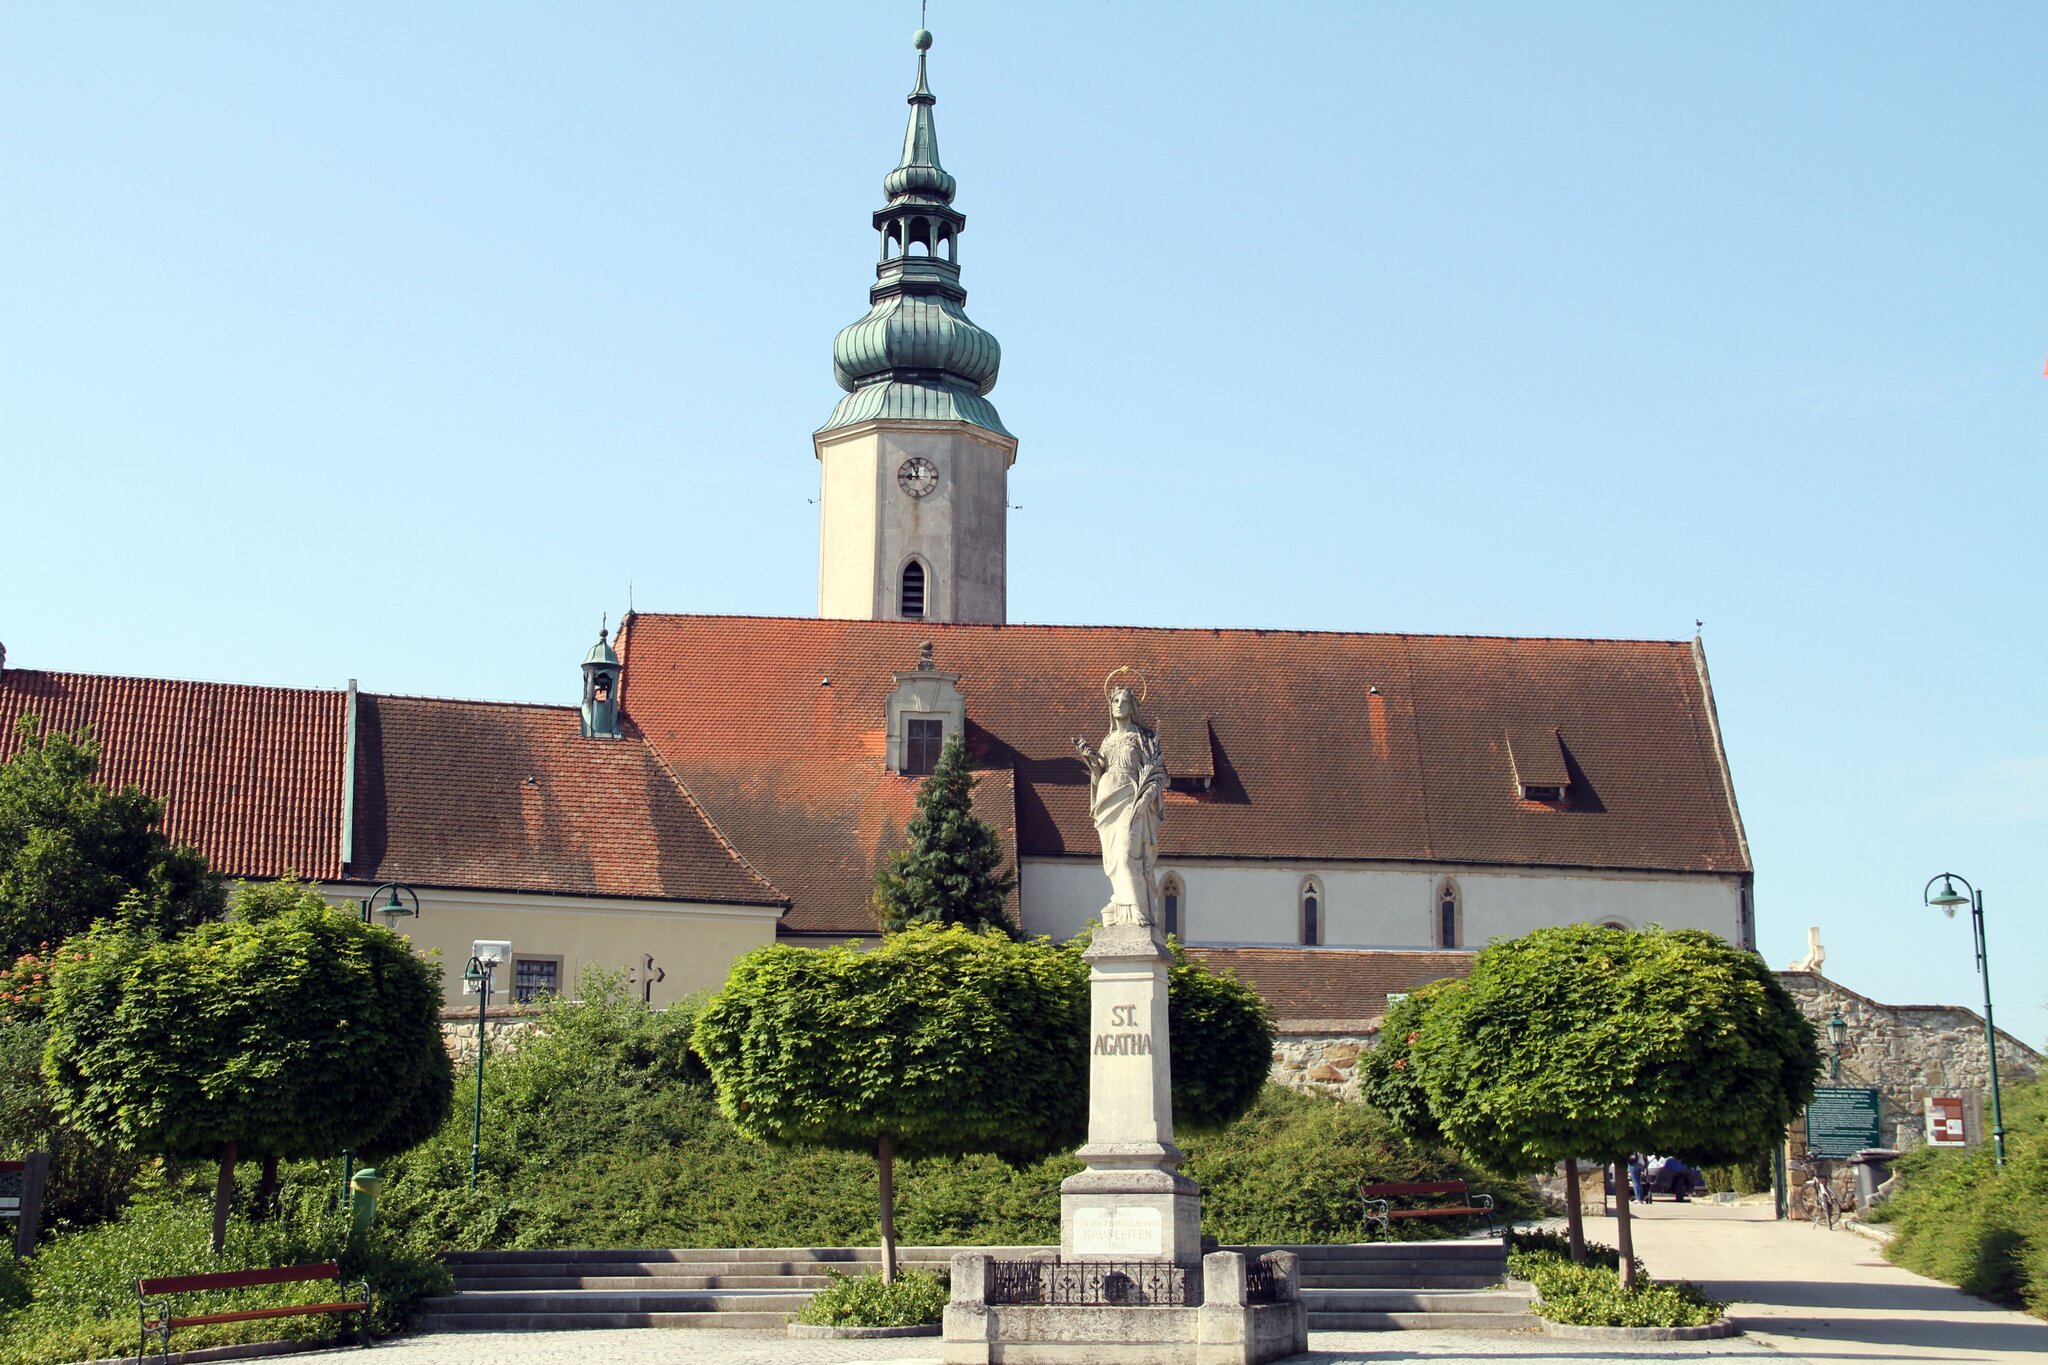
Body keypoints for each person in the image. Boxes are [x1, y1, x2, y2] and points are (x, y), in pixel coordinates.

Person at [1074, 681, 1168, 931]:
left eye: (1124, 701)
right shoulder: (1107, 740)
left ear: (1133, 706)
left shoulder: (1143, 738)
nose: (1119, 705)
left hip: (1131, 796)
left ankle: (1135, 906)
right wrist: (1092, 761)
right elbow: (1099, 772)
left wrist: (1147, 797)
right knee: (1113, 857)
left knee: (1127, 854)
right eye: (1115, 701)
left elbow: (1159, 774)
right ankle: (1120, 904)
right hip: (1107, 796)